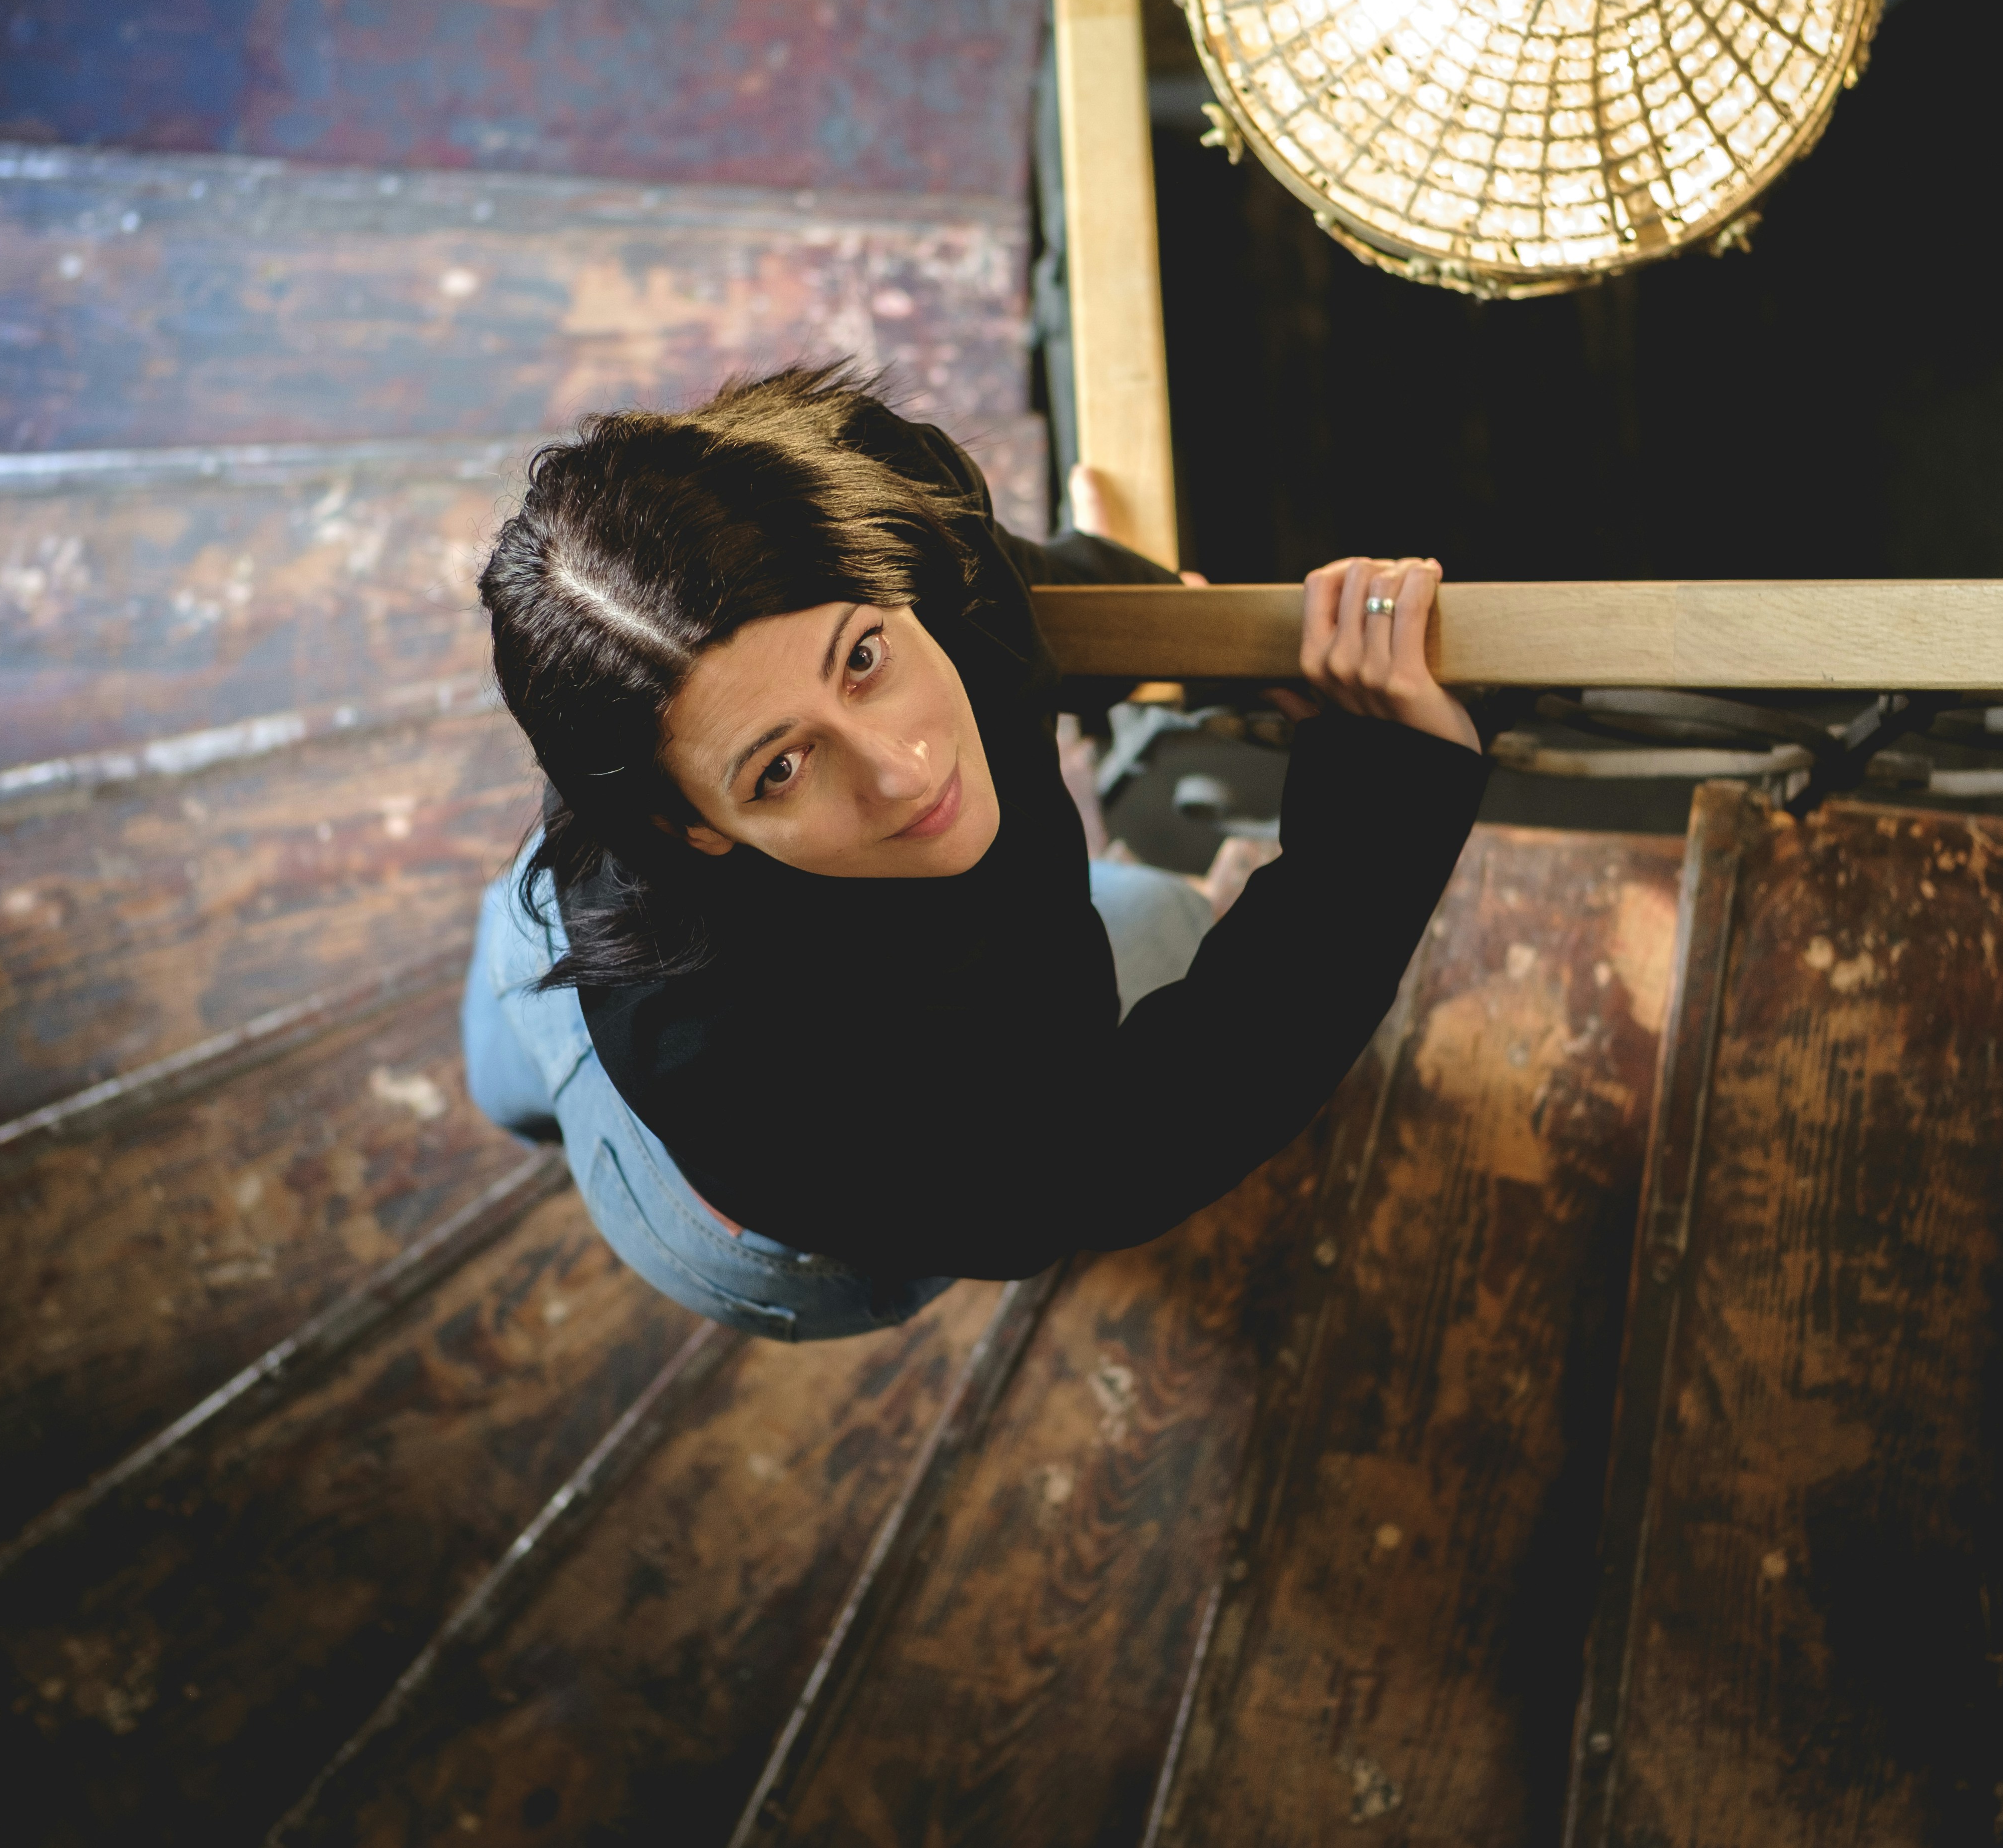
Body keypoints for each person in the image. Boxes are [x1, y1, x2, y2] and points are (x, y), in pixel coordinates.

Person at [460, 366, 1487, 1340]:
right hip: (735, 1193)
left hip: (585, 925)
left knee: (1156, 925)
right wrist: (1393, 800)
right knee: (1168, 923)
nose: (904, 771)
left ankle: (512, 1094)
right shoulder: (768, 1088)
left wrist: (1183, 625)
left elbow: (1007, 593)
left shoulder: (871, 511)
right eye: (781, 767)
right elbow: (1112, 1163)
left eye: (862, 658)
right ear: (689, 826)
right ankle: (522, 1113)